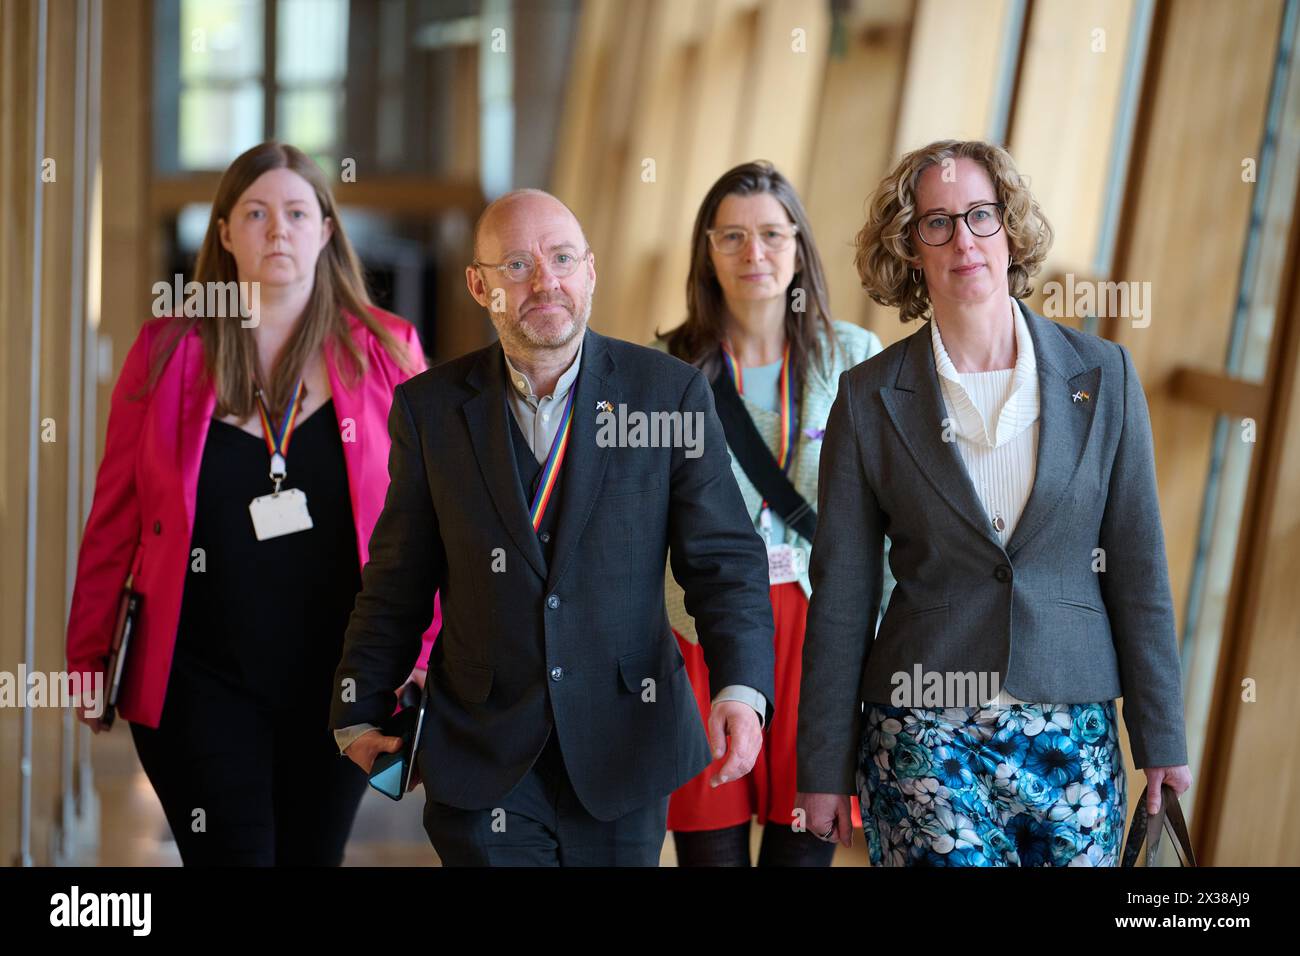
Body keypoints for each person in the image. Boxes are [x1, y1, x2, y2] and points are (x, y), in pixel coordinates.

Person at [332, 188, 775, 867]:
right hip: (480, 753)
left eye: (562, 258)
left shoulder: (668, 395)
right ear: (480, 286)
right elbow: (398, 574)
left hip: (624, 748)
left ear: (589, 272)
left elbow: (724, 562)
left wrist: (740, 690)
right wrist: (358, 709)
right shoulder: (430, 411)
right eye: (516, 264)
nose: (545, 280)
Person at [796, 139, 1192, 867]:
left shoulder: (1103, 375)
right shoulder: (867, 396)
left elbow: (1138, 569)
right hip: (921, 730)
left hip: (1072, 731)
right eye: (936, 222)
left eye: (980, 215)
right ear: (910, 248)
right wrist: (821, 767)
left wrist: (1161, 737)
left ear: (1010, 228)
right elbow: (844, 597)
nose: (963, 240)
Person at [65, 141, 439, 865]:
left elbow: (431, 520)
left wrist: (424, 653)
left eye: (298, 213)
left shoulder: (390, 353)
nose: (278, 230)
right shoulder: (164, 351)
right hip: (196, 677)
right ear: (225, 232)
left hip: (347, 681)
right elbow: (113, 520)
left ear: (327, 230)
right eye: (257, 213)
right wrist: (87, 658)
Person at [655, 161, 888, 866]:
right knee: (709, 852)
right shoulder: (666, 370)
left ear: (798, 246)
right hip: (705, 630)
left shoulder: (855, 361)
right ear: (707, 250)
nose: (753, 254)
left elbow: (887, 512)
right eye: (731, 236)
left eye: (770, 234)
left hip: (823, 634)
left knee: (802, 850)